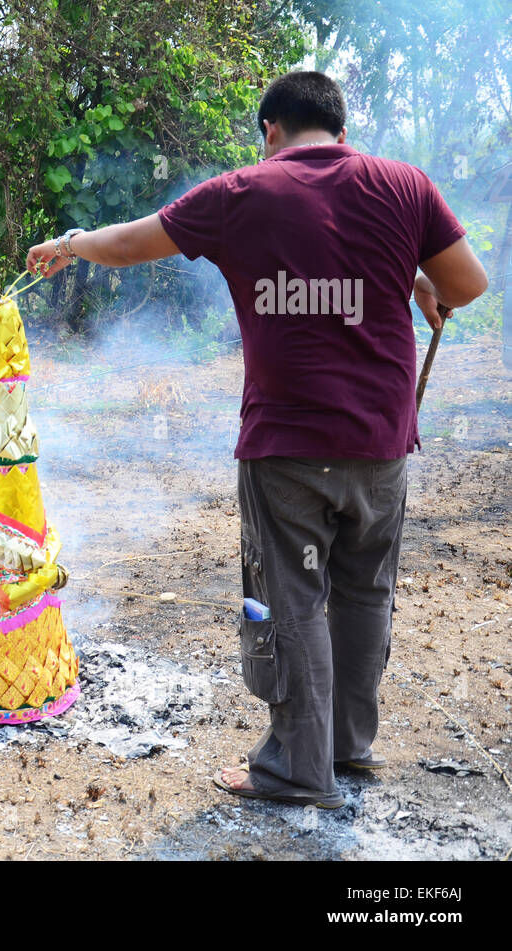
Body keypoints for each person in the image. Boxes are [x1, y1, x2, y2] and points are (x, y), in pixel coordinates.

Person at [25, 70, 488, 808]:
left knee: (291, 597)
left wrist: (72, 241)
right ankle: (347, 750)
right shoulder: (407, 185)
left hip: (288, 445)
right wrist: (419, 282)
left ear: (271, 130)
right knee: (364, 594)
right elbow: (467, 285)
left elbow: (129, 244)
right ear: (340, 128)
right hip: (382, 443)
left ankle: (297, 770)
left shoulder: (239, 193)